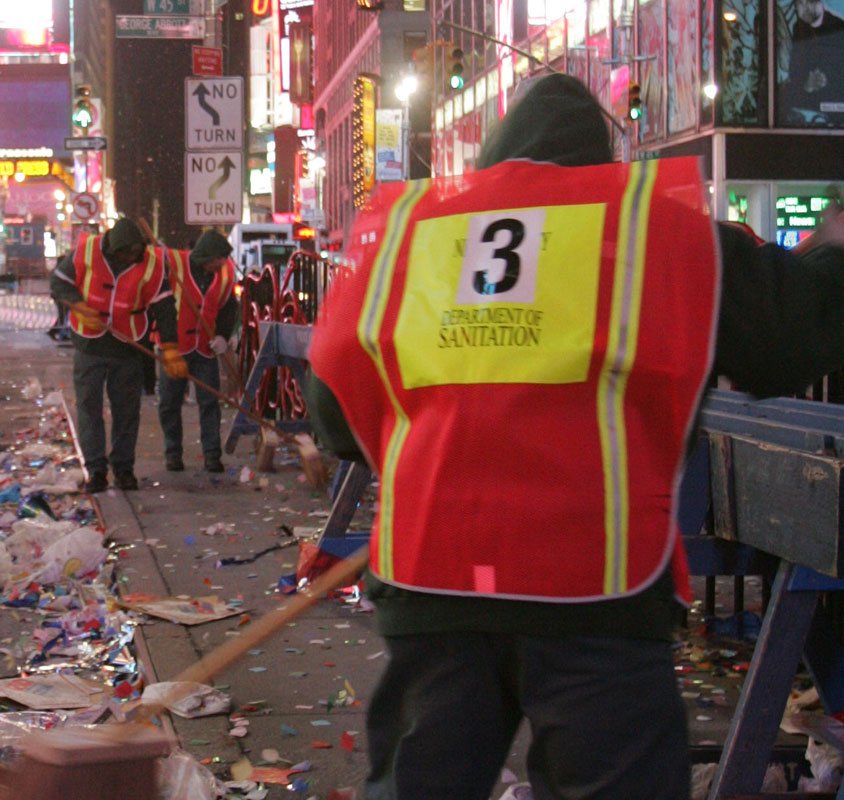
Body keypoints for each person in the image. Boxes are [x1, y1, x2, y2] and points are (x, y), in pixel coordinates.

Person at [304, 73, 844, 800]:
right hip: (596, 589)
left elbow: (332, 401)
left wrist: (422, 450)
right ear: (604, 159)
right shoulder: (655, 227)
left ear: (495, 151)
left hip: (430, 580)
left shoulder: (413, 234)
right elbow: (792, 339)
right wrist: (833, 253)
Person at [50, 217, 170, 493]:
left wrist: (172, 347)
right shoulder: (86, 251)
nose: (131, 259)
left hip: (128, 347)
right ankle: (96, 470)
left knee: (126, 412)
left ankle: (124, 469)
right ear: (113, 248)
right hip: (89, 346)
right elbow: (58, 282)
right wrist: (79, 306)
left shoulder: (150, 263)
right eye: (126, 254)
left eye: (135, 254)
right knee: (89, 409)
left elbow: (164, 307)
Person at [151, 229, 238, 473]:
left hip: (204, 349)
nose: (221, 265)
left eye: (223, 260)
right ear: (206, 256)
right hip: (174, 347)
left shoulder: (224, 275)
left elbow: (229, 308)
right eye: (217, 260)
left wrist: (223, 334)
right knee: (169, 403)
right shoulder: (175, 265)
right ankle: (173, 453)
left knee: (209, 402)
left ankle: (212, 455)